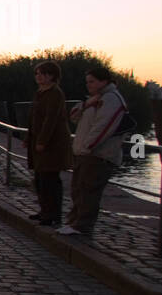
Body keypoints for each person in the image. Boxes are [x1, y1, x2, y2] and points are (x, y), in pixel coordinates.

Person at [59, 65, 127, 237]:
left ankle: (82, 225)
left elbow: (103, 127)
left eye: (92, 81)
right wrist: (86, 104)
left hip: (98, 154)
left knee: (89, 191)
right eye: (87, 82)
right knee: (78, 189)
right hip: (84, 153)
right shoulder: (95, 99)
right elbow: (73, 116)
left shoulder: (111, 100)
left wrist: (87, 147)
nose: (88, 85)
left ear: (104, 81)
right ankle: (73, 222)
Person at [26, 61, 73, 227]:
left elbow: (50, 119)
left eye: (42, 73)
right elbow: (34, 118)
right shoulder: (40, 93)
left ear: (51, 76)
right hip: (39, 142)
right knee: (40, 179)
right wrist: (28, 138)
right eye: (37, 74)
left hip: (52, 144)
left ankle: (53, 214)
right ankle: (44, 210)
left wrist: (42, 141)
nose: (38, 77)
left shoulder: (55, 93)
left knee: (50, 179)